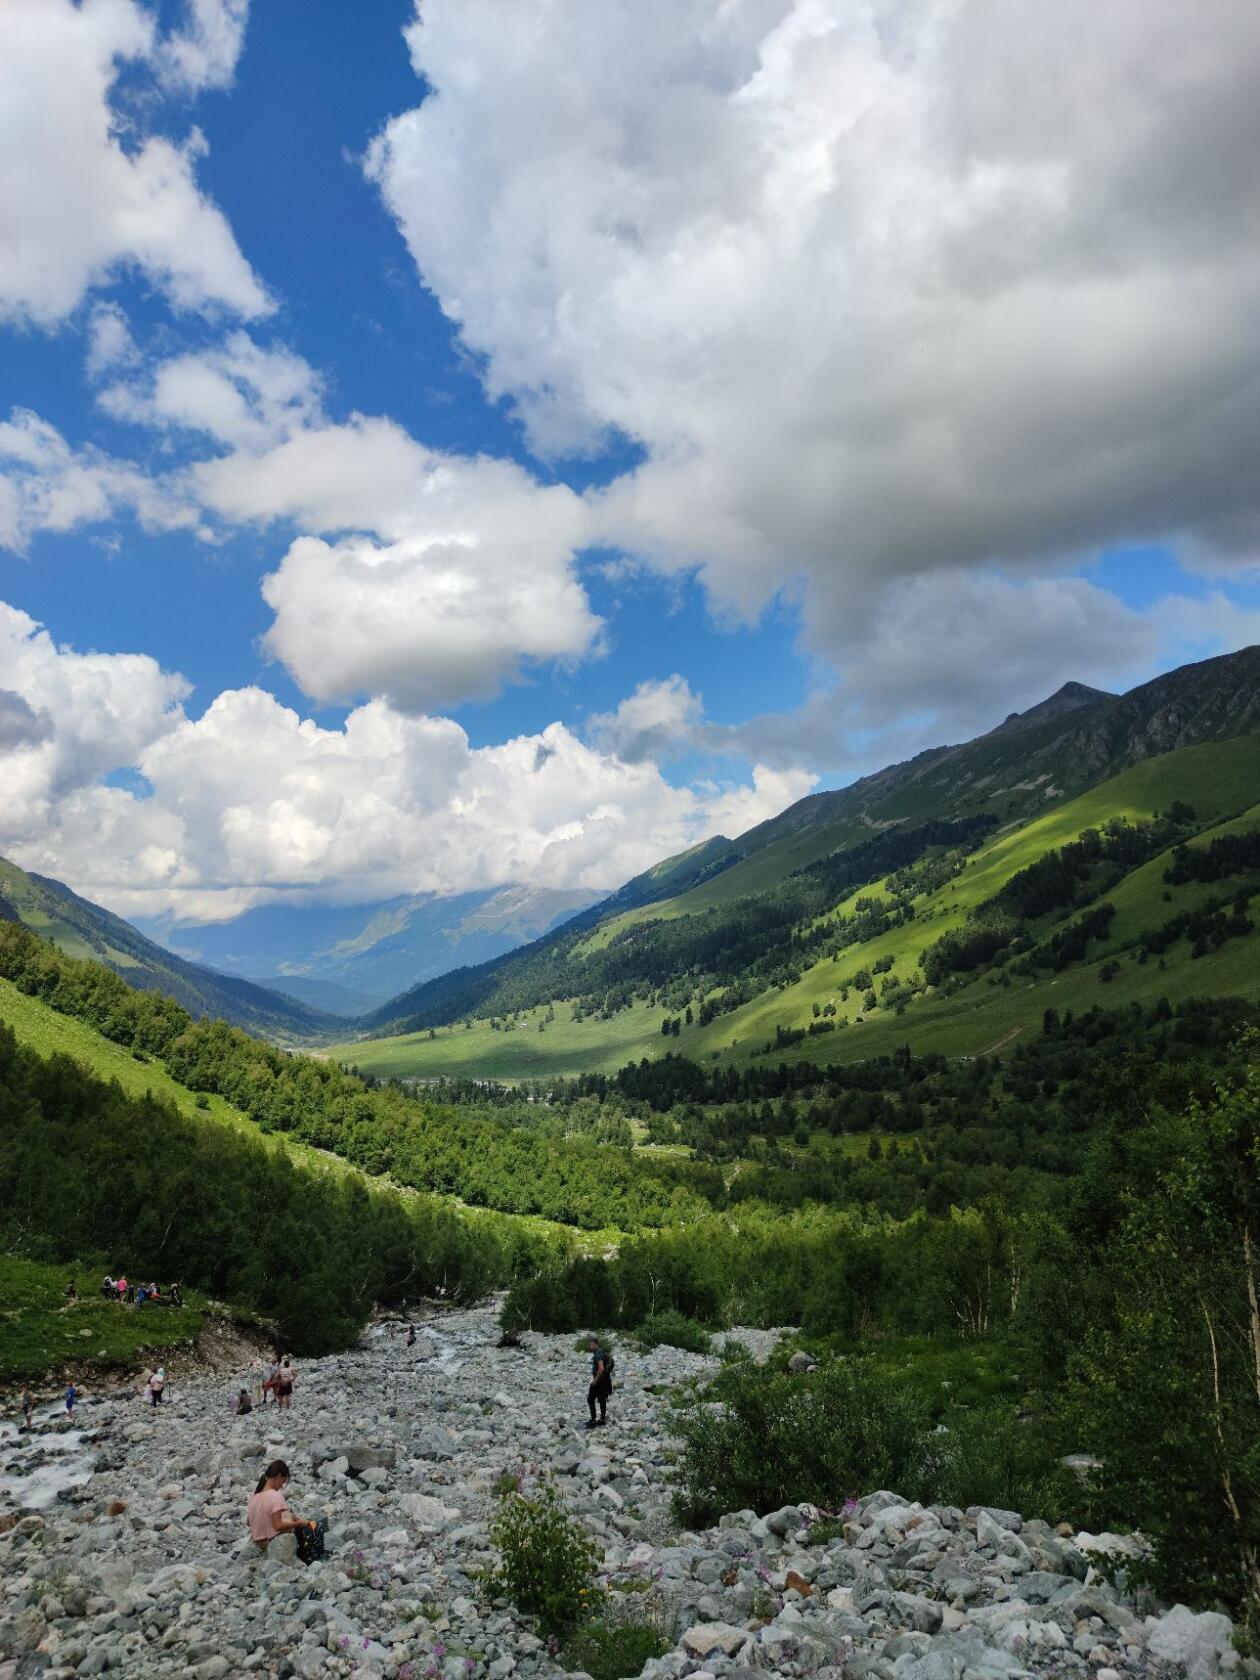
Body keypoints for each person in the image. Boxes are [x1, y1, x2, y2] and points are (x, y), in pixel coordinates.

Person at [246, 1460, 321, 1556]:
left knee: (288, 1516)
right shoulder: (275, 1496)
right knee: (296, 1520)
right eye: (283, 1481)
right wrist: (299, 1523)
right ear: (279, 1476)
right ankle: (308, 1554)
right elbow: (278, 1525)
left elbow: (249, 1522)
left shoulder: (254, 1497)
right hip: (270, 1543)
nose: (282, 1485)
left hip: (257, 1541)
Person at [585, 1336, 613, 1430]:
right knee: (602, 1399)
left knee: (590, 1399)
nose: (590, 1346)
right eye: (590, 1344)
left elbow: (601, 1368)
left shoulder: (598, 1354)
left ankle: (593, 1420)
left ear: (596, 1344)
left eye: (592, 1344)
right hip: (605, 1380)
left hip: (600, 1381)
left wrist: (595, 1380)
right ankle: (602, 1420)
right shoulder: (601, 1352)